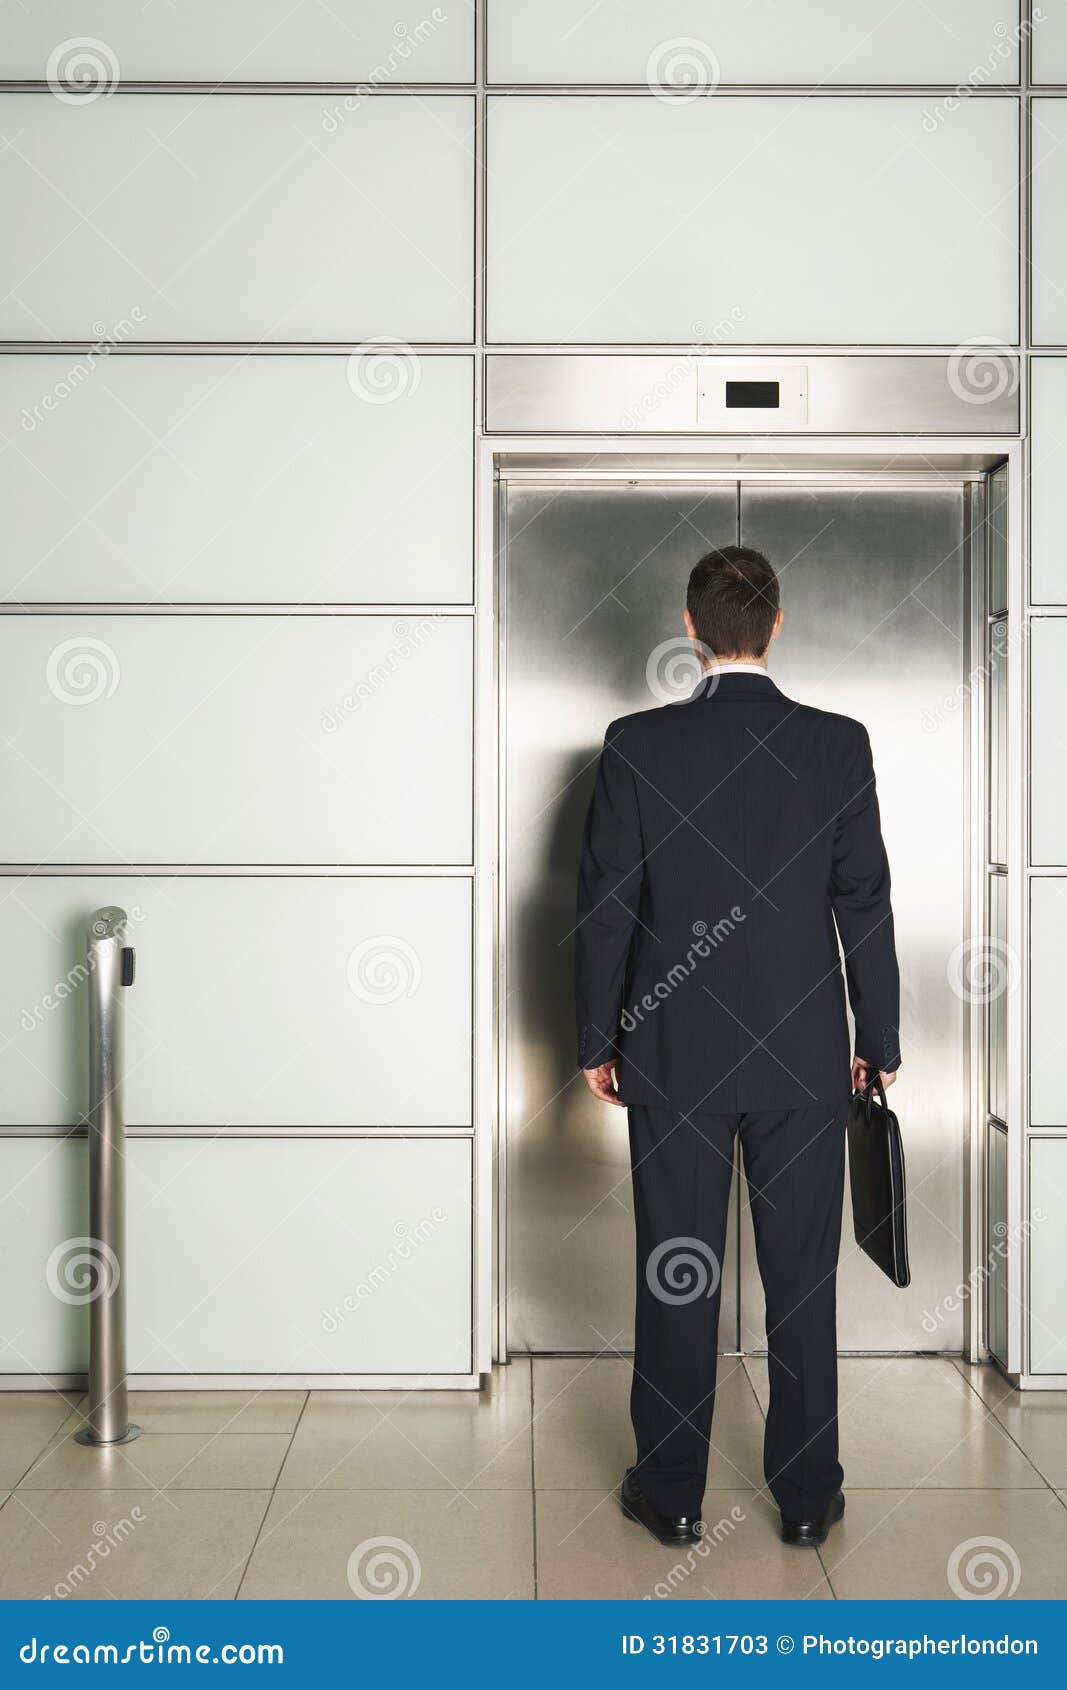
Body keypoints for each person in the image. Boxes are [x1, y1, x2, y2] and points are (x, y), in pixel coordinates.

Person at [574, 545, 900, 1549]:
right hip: (804, 1054)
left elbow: (604, 908)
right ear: (777, 622)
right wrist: (874, 1039)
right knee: (801, 1277)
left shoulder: (634, 744)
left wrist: (597, 1036)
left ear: (688, 625)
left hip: (673, 1049)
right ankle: (805, 1497)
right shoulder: (836, 746)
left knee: (677, 1265)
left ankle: (670, 1492)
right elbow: (863, 902)